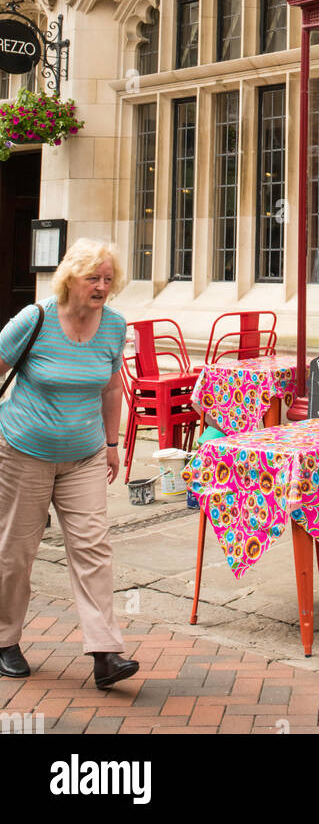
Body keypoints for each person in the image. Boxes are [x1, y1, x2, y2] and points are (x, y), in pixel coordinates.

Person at [0, 239, 139, 689]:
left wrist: (113, 444)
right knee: (16, 552)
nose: (101, 286)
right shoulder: (35, 319)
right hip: (23, 451)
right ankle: (4, 639)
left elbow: (111, 388)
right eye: (92, 278)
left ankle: (105, 652)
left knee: (94, 549)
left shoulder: (115, 326)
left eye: (107, 279)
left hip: (84, 455)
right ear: (70, 278)